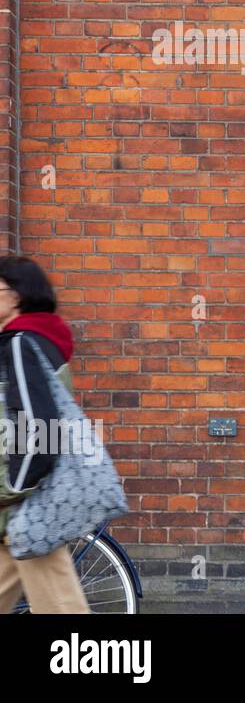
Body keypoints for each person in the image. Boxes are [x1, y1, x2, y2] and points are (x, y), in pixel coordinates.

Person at [0, 256, 90, 614]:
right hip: (19, 501)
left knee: (63, 610)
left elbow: (39, 425)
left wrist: (15, 489)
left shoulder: (21, 344)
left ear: (16, 296)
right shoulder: (34, 340)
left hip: (22, 502)